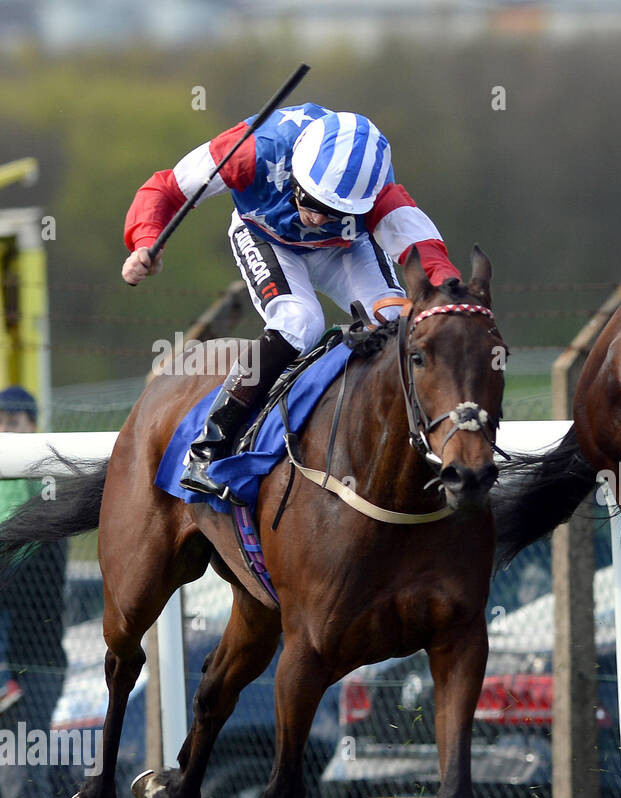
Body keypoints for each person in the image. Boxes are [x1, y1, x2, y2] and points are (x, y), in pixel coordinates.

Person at [121, 103, 462, 502]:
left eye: (334, 210)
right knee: (300, 323)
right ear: (297, 172)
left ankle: (411, 447)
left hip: (345, 249)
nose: (317, 219)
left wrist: (454, 298)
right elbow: (165, 188)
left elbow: (427, 253)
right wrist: (146, 241)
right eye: (312, 202)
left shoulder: (379, 188)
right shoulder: (251, 149)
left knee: (394, 319)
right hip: (266, 237)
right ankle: (209, 446)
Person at [0, 386, 69, 798]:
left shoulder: (50, 493)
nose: (7, 429)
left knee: (23, 766)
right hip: (19, 655)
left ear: (33, 425)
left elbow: (31, 564)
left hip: (36, 659)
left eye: (15, 421)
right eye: (1, 421)